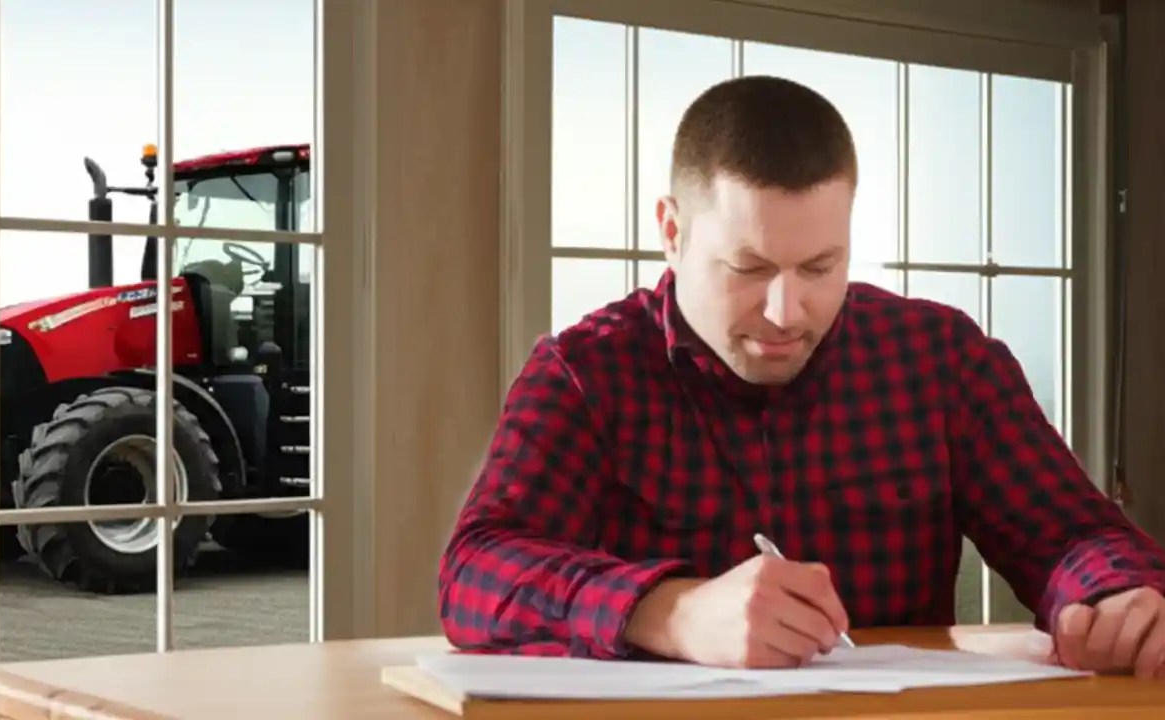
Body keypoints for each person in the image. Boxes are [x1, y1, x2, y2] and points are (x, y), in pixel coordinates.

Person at [437, 75, 1165, 679]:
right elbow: (474, 573)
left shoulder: (942, 359)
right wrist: (670, 610)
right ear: (671, 232)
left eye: (821, 267)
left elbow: (1072, 534)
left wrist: (1121, 598)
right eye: (748, 268)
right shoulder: (584, 371)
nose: (786, 311)